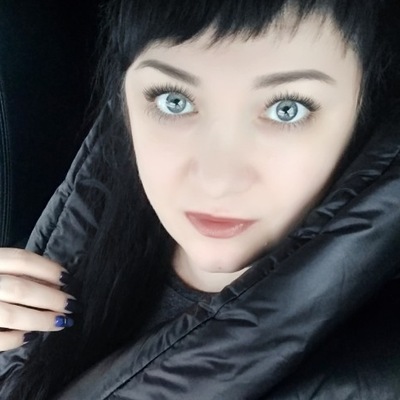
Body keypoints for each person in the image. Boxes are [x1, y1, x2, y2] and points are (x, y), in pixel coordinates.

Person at [0, 0, 399, 398]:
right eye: (174, 100)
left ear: (363, 112)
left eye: (286, 109)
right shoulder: (78, 238)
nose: (216, 181)